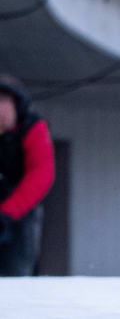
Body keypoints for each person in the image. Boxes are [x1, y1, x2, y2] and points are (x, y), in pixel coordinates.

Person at [0, 75, 55, 276]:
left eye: (4, 102)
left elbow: (41, 176)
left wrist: (7, 212)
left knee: (16, 271)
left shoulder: (33, 129)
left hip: (19, 212)